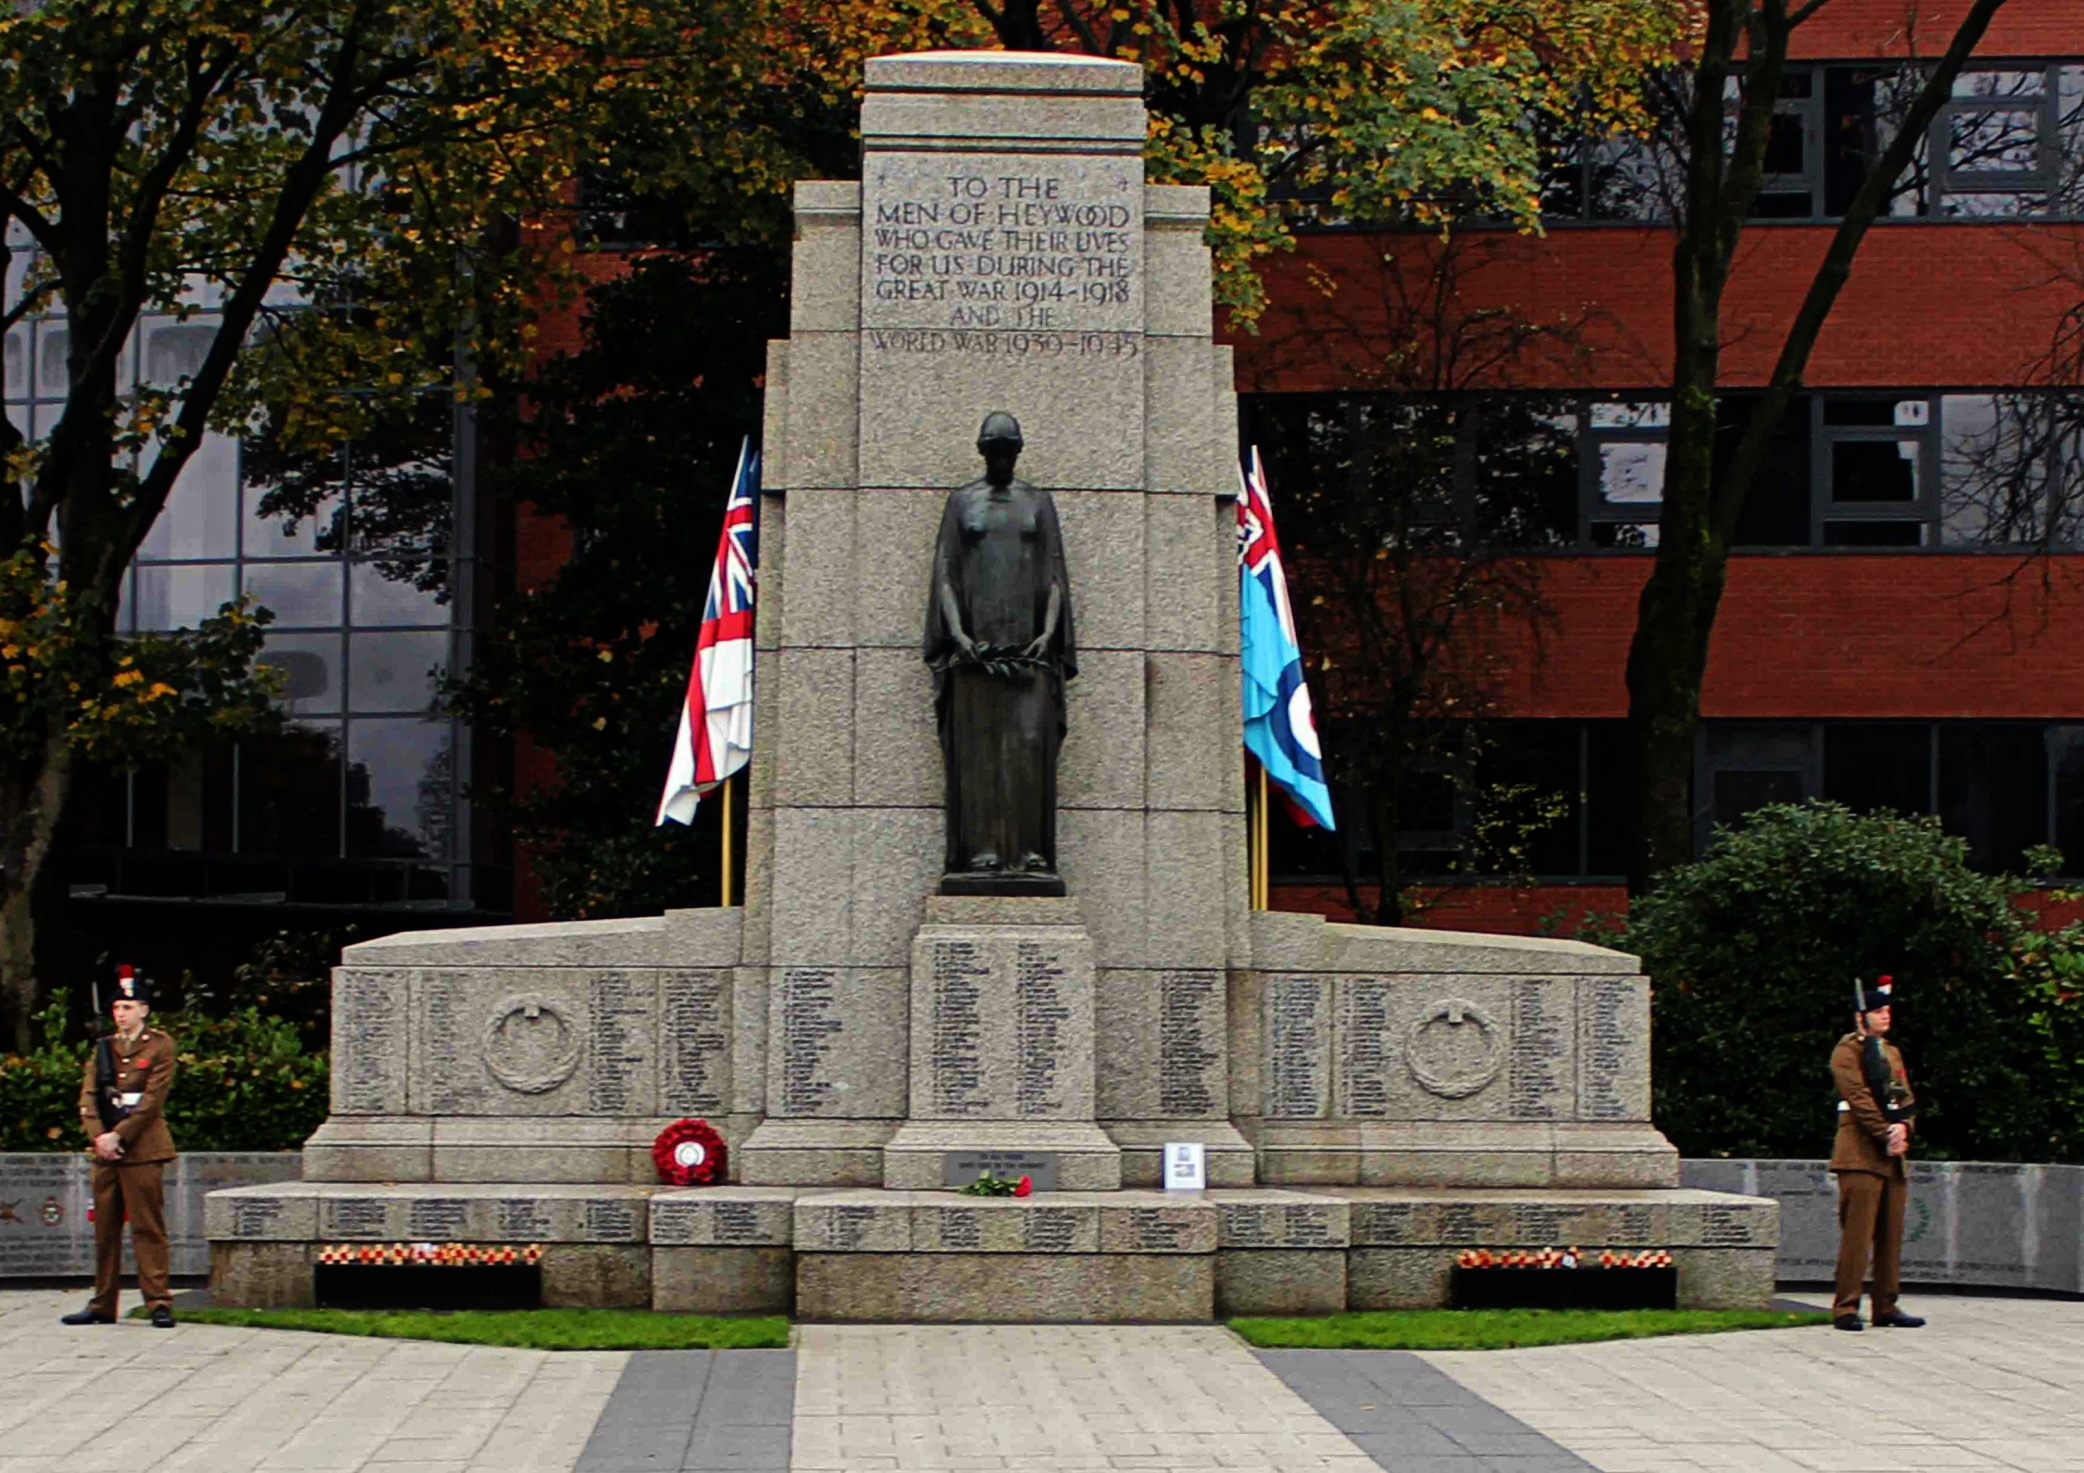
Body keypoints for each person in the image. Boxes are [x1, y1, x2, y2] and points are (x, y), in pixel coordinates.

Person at [924, 411, 1077, 893]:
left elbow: (1055, 574)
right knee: (979, 756)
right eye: (994, 450)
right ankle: (982, 851)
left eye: (1009, 451)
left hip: (1030, 654)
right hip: (975, 656)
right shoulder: (961, 502)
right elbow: (945, 574)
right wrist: (957, 634)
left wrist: (1049, 633)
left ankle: (1030, 851)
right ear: (982, 451)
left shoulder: (1038, 502)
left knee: (1030, 750)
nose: (1002, 459)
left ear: (1018, 452)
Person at [62, 966, 179, 1328]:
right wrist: (99, 1136)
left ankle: (158, 1301)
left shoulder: (159, 1045)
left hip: (142, 1149)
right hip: (105, 1152)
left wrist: (119, 1135)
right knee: (105, 1231)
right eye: (116, 1008)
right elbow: (89, 1096)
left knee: (147, 1227)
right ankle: (103, 1302)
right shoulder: (105, 1048)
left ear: (143, 1010)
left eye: (128, 1007)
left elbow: (152, 1100)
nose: (121, 1014)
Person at [1828, 975, 1924, 1332]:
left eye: (1887, 1011)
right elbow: (1858, 1098)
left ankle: (1886, 1305)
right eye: (1878, 1011)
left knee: (1890, 1235)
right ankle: (1845, 1307)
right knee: (1857, 1236)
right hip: (1859, 1154)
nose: (1885, 1016)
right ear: (1860, 1016)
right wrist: (1886, 1131)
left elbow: (1904, 1097)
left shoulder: (1891, 1051)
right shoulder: (1847, 1051)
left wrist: (1904, 1128)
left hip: (1892, 1156)